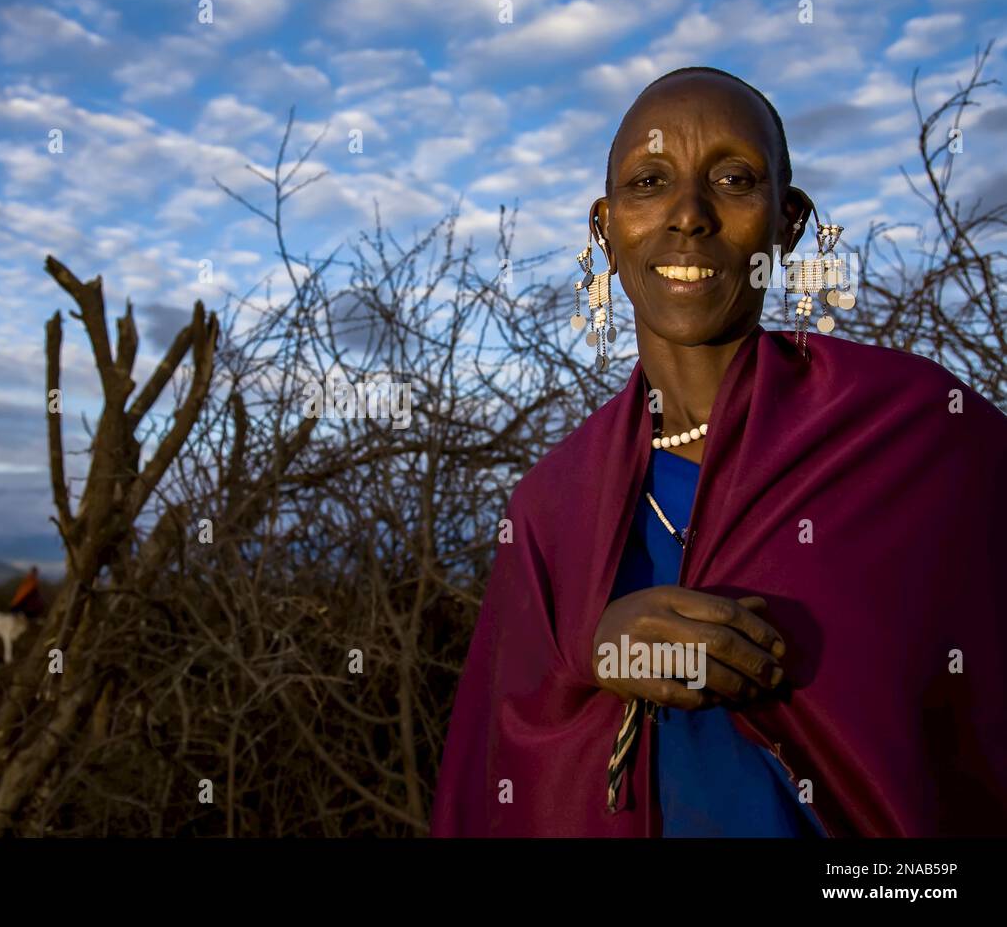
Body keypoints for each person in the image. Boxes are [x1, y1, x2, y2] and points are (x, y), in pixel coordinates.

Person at [430, 67, 1007, 837]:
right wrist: (590, 660)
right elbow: (494, 763)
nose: (689, 215)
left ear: (788, 222)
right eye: (649, 181)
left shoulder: (919, 433)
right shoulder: (550, 507)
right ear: (606, 228)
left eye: (734, 178)